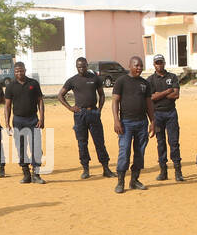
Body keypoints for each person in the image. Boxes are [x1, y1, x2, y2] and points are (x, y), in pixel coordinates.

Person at [57, 57, 113, 179]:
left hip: (93, 113)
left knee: (99, 142)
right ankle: (86, 169)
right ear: (76, 67)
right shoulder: (72, 80)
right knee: (82, 143)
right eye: (79, 66)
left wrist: (99, 109)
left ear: (87, 65)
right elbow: (60, 95)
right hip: (80, 115)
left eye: (83, 66)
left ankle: (106, 168)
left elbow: (102, 95)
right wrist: (70, 108)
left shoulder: (94, 78)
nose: (81, 68)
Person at [111, 55, 155, 193]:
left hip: (142, 123)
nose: (139, 68)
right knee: (124, 152)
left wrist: (153, 122)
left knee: (140, 152)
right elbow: (115, 102)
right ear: (129, 65)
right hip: (126, 123)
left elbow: (149, 104)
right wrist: (116, 120)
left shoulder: (145, 83)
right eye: (136, 65)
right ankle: (120, 182)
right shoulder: (121, 81)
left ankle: (134, 180)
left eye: (141, 66)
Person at [4, 61, 45, 184]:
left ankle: (36, 175)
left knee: (36, 147)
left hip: (33, 120)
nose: (19, 73)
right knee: (20, 148)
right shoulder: (10, 86)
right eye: (17, 71)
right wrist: (7, 123)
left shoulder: (33, 83)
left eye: (21, 70)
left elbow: (40, 102)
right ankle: (26, 174)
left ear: (25, 70)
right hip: (18, 121)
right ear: (14, 72)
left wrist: (42, 118)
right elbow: (7, 106)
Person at [146, 54, 183, 181]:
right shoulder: (150, 80)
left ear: (164, 63)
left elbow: (176, 95)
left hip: (171, 113)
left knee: (174, 142)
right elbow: (151, 98)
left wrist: (159, 95)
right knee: (160, 143)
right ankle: (163, 171)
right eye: (157, 63)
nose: (159, 65)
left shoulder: (172, 77)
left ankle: (178, 171)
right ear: (154, 64)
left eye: (161, 62)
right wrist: (167, 92)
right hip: (157, 115)